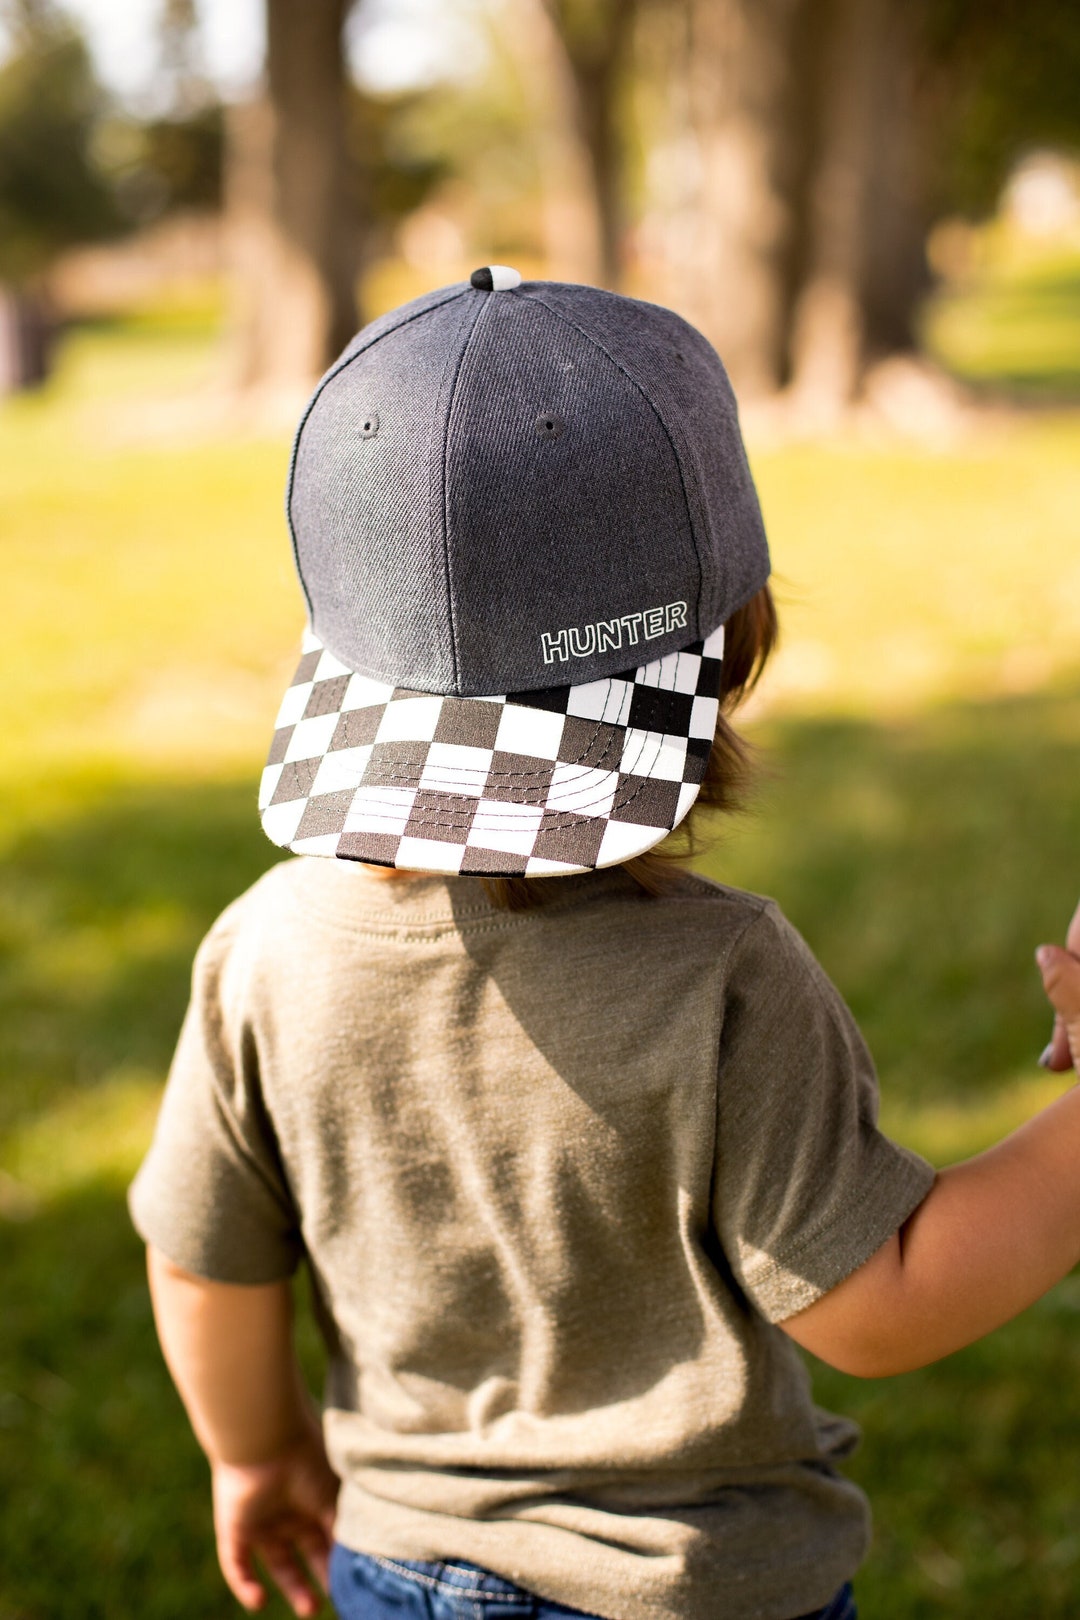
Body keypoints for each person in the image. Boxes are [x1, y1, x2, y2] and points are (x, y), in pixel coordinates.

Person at [129, 269, 1080, 1620]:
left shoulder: (261, 951)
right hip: (700, 1590)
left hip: (393, 1566)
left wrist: (256, 1453)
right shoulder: (727, 978)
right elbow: (881, 1302)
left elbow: (203, 1259)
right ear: (723, 650)